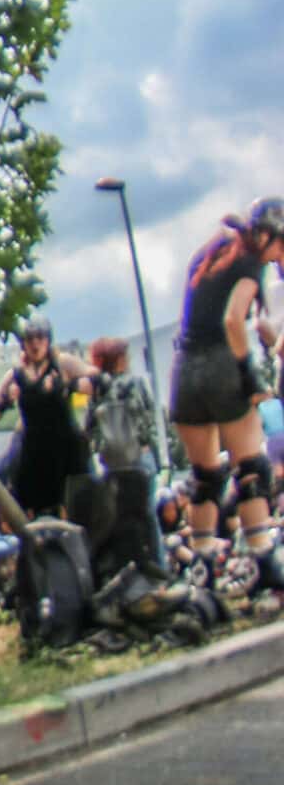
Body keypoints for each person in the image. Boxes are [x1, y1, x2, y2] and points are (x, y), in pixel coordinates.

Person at [167, 197, 284, 592]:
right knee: (251, 469)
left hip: (183, 369)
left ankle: (200, 570)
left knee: (206, 478)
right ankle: (265, 564)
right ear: (265, 236)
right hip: (220, 365)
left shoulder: (212, 250)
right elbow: (233, 319)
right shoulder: (249, 262)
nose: (278, 256)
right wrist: (248, 374)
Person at [0, 320, 90, 519]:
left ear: (48, 341)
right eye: (30, 339)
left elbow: (98, 381)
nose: (35, 344)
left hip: (66, 450)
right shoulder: (16, 374)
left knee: (77, 509)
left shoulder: (62, 363)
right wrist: (3, 402)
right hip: (34, 453)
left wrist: (69, 385)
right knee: (4, 479)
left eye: (40, 338)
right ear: (23, 344)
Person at [82, 334, 164, 576]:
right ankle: (158, 567)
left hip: (113, 463)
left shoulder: (97, 390)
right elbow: (148, 416)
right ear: (118, 359)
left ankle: (129, 570)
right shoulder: (135, 382)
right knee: (148, 517)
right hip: (140, 456)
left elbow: (89, 429)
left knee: (122, 520)